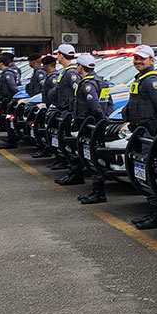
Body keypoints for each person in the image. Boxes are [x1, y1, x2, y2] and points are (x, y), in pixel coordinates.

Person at [120, 46, 157, 227]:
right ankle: (152, 211)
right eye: (135, 58)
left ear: (152, 60)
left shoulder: (152, 82)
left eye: (142, 58)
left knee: (150, 171)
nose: (138, 61)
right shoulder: (141, 79)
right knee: (143, 172)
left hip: (151, 133)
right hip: (141, 133)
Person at [71, 54, 111, 203]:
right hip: (96, 124)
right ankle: (96, 191)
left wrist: (100, 119)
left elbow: (94, 105)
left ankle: (98, 192)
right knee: (93, 156)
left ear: (81, 67)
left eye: (77, 66)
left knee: (92, 157)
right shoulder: (101, 81)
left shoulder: (89, 84)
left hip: (90, 125)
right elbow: (108, 103)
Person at [47, 45, 83, 175]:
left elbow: (77, 92)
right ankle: (71, 169)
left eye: (58, 55)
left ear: (62, 55)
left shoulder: (71, 73)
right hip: (63, 111)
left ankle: (75, 172)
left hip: (68, 112)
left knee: (69, 142)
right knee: (63, 140)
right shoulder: (66, 71)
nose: (57, 57)